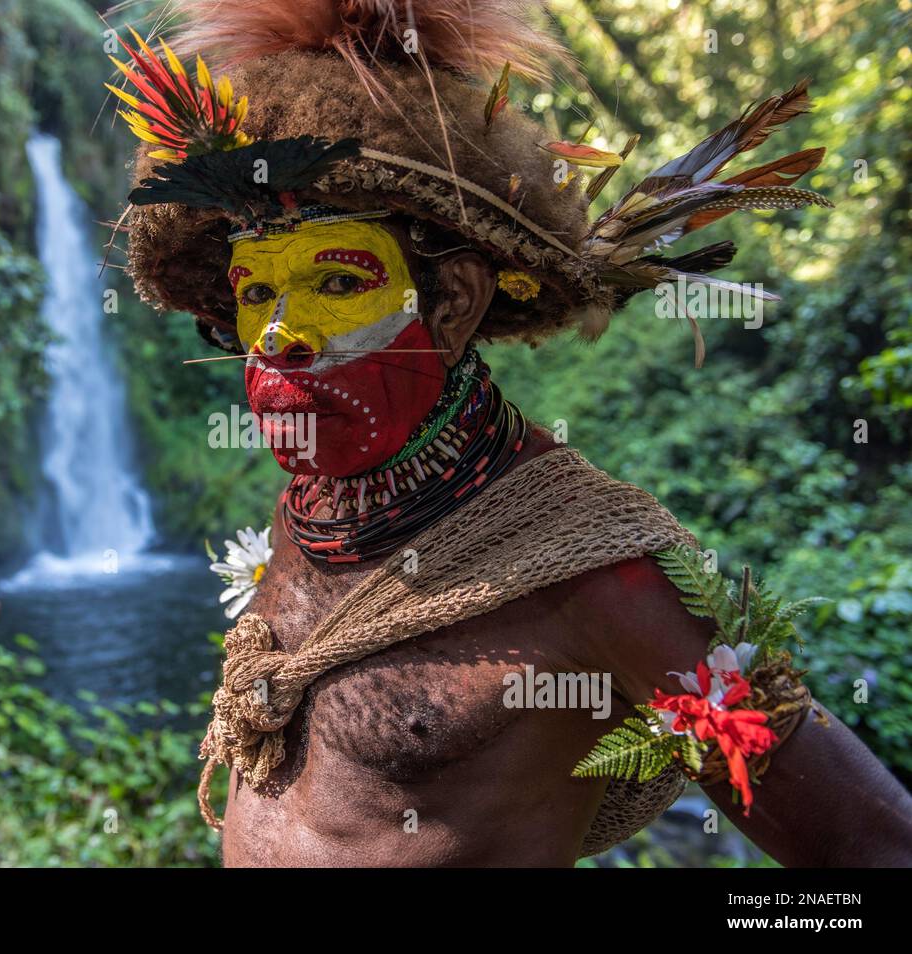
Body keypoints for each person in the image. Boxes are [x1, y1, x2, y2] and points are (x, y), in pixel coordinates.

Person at [107, 0, 912, 865]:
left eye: (337, 284)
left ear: (453, 303)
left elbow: (868, 845)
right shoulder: (311, 509)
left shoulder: (599, 573)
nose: (277, 337)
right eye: (257, 293)